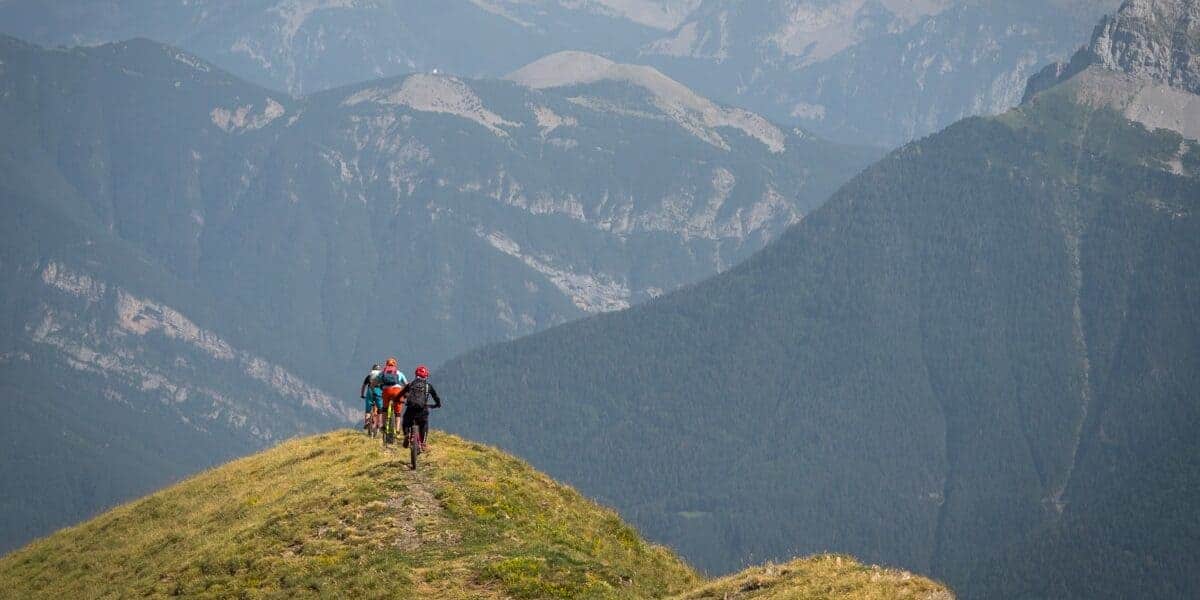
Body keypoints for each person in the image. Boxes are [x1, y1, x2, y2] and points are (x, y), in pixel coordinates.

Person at [400, 364, 441, 450]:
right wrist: (437, 404)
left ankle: (407, 434)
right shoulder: (428, 386)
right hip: (422, 410)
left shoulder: (410, 385)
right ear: (426, 376)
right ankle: (423, 443)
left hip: (411, 409)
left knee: (406, 421)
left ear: (416, 375)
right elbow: (436, 397)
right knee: (424, 424)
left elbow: (400, 394)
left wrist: (397, 400)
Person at [379, 358, 407, 443]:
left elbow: (377, 382)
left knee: (384, 409)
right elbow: (406, 384)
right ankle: (397, 430)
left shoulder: (383, 372)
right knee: (398, 413)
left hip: (386, 391)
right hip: (397, 391)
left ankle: (384, 426)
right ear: (395, 365)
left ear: (386, 365)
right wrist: (406, 394)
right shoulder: (399, 373)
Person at [359, 364, 384, 435]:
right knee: (380, 410)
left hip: (370, 390)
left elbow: (364, 386)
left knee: (368, 409)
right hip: (378, 391)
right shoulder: (381, 376)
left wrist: (362, 395)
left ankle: (367, 422)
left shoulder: (369, 376)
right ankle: (379, 423)